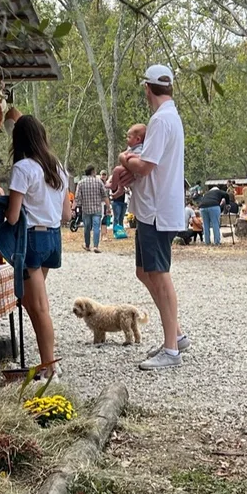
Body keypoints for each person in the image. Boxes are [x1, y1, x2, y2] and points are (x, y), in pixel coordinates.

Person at [118, 64, 187, 370]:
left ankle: (171, 349)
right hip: (151, 207)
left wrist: (124, 159)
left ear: (147, 89)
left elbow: (145, 166)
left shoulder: (161, 120)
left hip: (156, 209)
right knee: (144, 272)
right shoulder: (169, 117)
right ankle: (177, 335)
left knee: (159, 275)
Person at [4, 115, 66, 374]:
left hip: (32, 240)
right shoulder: (58, 167)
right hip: (53, 238)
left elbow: (13, 216)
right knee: (33, 304)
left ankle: (50, 366)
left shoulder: (23, 169)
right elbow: (68, 215)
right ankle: (47, 361)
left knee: (39, 308)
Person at [109, 124, 143, 236]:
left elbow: (140, 158)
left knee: (116, 170)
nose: (126, 139)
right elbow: (124, 156)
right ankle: (118, 188)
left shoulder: (140, 148)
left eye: (129, 137)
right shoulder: (131, 148)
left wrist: (128, 158)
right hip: (128, 169)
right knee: (118, 173)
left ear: (138, 139)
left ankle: (113, 186)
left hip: (130, 170)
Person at [74, 165, 109, 252]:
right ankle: (96, 246)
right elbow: (105, 195)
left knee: (87, 227)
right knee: (96, 227)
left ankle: (87, 245)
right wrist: (108, 207)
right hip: (97, 209)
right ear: (93, 172)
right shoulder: (99, 182)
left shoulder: (81, 183)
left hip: (86, 209)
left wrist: (74, 208)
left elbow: (77, 197)